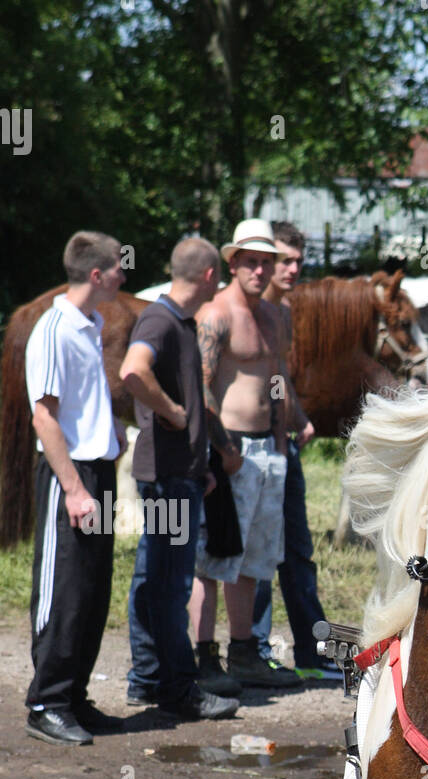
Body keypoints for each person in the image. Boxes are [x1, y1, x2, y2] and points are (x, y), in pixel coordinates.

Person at [119, 236, 239, 720]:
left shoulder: (181, 323)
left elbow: (192, 398)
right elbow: (133, 372)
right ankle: (179, 689)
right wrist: (169, 411)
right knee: (169, 586)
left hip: (179, 474)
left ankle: (147, 679)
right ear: (209, 275)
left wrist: (203, 464)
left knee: (153, 579)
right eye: (222, 274)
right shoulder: (160, 320)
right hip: (167, 479)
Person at [24, 230, 128, 746]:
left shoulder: (93, 323)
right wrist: (72, 489)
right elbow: (44, 416)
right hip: (70, 476)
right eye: (117, 268)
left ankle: (75, 697)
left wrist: (112, 435)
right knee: (62, 588)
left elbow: (86, 400)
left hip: (98, 470)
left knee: (92, 588)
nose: (123, 276)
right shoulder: (54, 327)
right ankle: (46, 701)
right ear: (95, 274)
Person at [189, 218, 301, 691]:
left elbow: (278, 379)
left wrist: (283, 434)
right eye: (251, 262)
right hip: (230, 449)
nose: (260, 270)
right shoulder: (216, 314)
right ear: (233, 264)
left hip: (268, 451)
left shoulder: (278, 317)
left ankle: (243, 653)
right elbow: (202, 384)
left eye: (266, 262)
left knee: (256, 559)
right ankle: (203, 658)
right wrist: (222, 448)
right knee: (214, 558)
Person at [248, 220, 340, 681]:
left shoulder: (283, 313)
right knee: (260, 551)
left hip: (284, 447)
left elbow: (279, 374)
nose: (292, 268)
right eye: (284, 259)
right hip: (253, 447)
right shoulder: (246, 310)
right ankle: (257, 648)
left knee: (298, 549)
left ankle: (311, 649)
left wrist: (299, 417)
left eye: (298, 261)